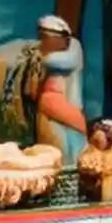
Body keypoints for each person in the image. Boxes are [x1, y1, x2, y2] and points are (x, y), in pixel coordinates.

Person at [32, 15, 88, 164]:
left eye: (46, 37)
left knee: (70, 145)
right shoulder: (42, 56)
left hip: (67, 109)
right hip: (49, 111)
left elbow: (62, 61)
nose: (42, 42)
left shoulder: (73, 47)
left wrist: (43, 58)